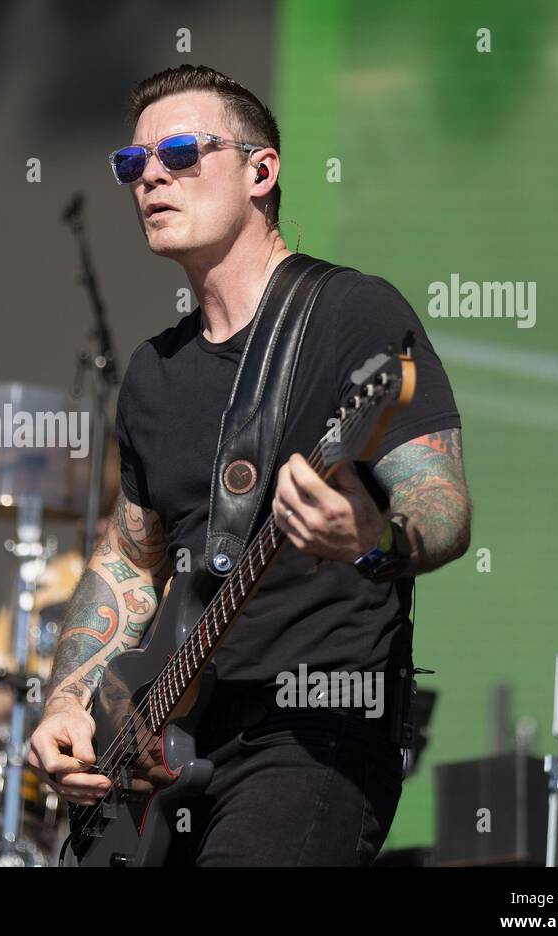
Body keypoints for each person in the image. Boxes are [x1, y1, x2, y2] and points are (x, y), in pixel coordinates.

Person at [27, 64, 472, 865]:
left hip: (312, 736)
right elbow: (131, 559)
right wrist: (67, 702)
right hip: (168, 759)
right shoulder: (154, 373)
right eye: (133, 164)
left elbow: (442, 506)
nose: (151, 175)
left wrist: (371, 536)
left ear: (261, 170)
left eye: (182, 152)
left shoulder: (351, 314)